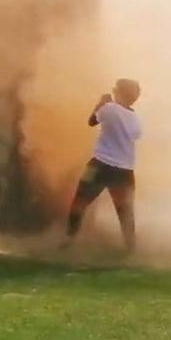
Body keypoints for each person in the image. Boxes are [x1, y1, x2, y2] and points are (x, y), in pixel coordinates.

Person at [62, 79, 144, 252]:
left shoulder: (109, 109)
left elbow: (92, 121)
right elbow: (134, 136)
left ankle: (68, 241)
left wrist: (100, 103)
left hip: (99, 165)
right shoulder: (137, 119)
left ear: (120, 92)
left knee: (79, 202)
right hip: (125, 171)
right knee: (125, 213)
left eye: (116, 89)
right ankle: (131, 249)